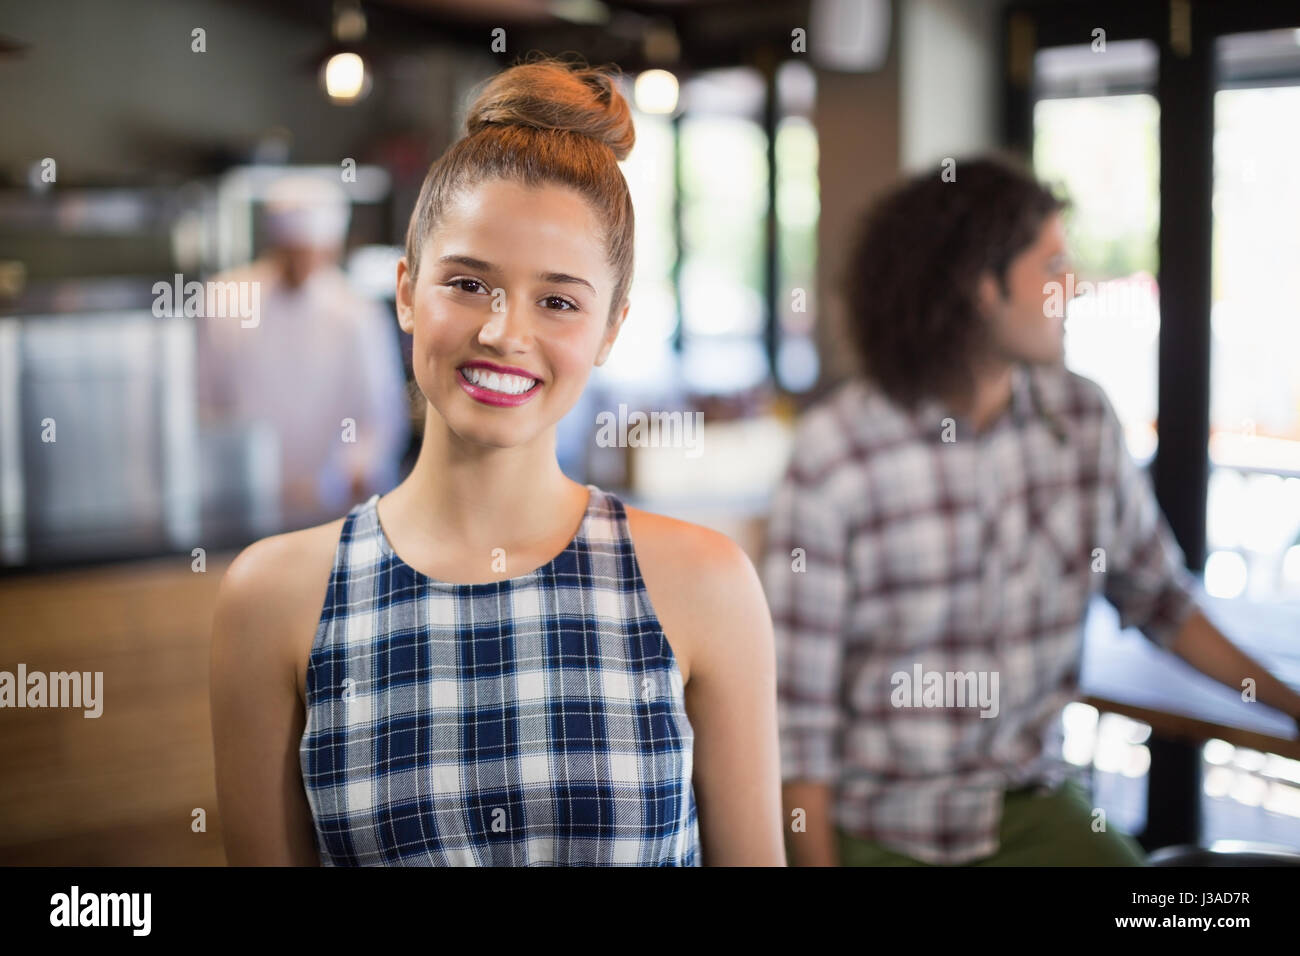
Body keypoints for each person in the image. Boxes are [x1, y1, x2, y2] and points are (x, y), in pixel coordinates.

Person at [209, 56, 785, 866]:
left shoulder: (706, 586)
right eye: (469, 284)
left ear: (611, 328)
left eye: (557, 301)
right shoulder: (271, 601)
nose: (504, 334)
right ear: (408, 292)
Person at [765, 155, 1300, 867]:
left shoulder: (1081, 419)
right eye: (1052, 267)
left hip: (1031, 806)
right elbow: (794, 723)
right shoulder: (840, 453)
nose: (1073, 288)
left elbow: (1161, 602)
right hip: (882, 826)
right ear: (979, 289)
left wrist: (1290, 706)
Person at [196, 173, 409, 523]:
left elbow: (380, 416)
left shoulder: (357, 313)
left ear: (331, 249)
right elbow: (204, 403)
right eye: (291, 254)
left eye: (310, 254)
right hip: (241, 501)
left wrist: (345, 475)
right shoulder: (225, 298)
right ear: (274, 245)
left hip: (332, 505)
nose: (300, 268)